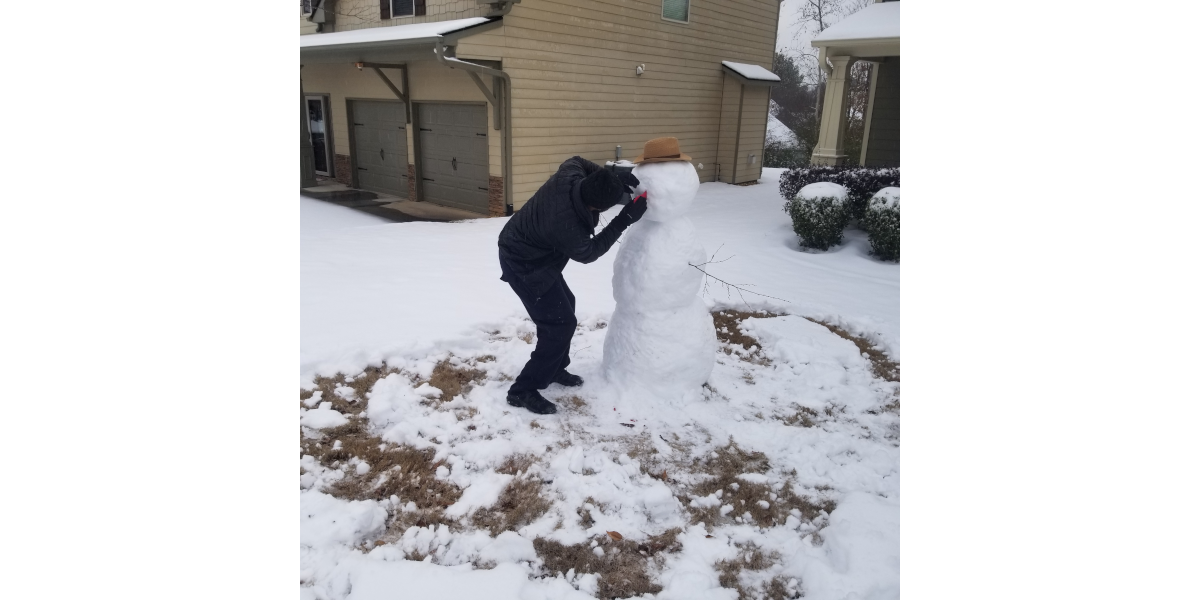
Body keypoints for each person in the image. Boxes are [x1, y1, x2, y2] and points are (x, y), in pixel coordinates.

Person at [497, 156, 647, 414]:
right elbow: (589, 252)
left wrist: (610, 176)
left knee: (566, 308)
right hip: (523, 262)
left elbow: (575, 159)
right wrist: (625, 218)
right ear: (595, 207)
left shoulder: (571, 175)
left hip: (538, 253)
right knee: (559, 324)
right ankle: (522, 391)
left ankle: (554, 368)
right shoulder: (565, 225)